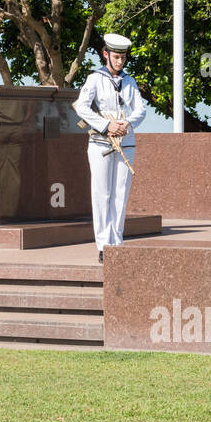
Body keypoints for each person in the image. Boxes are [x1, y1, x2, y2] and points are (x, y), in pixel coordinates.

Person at [73, 33, 147, 262]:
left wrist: (127, 123)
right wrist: (106, 125)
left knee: (120, 194)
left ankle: (117, 242)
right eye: (116, 57)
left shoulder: (130, 81)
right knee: (102, 193)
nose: (120, 62)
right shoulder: (95, 79)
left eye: (123, 57)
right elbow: (81, 107)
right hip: (101, 142)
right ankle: (104, 245)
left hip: (126, 142)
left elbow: (140, 109)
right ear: (106, 54)